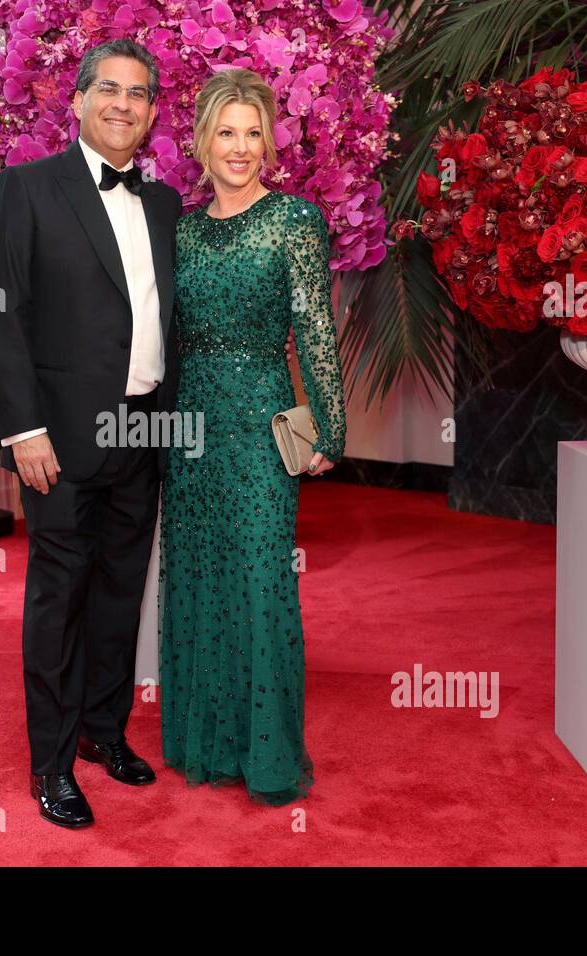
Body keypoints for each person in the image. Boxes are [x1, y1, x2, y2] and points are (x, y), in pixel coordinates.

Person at [0, 39, 182, 829]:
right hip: (56, 437)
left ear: (154, 113)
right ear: (78, 100)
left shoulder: (164, 205)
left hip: (144, 428)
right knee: (58, 600)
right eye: (108, 89)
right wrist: (21, 427)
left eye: (138, 94)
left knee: (121, 594)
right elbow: (2, 317)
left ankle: (105, 733)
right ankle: (52, 765)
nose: (123, 104)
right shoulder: (25, 189)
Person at [158, 68, 347, 806]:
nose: (241, 148)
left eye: (254, 133)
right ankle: (205, 742)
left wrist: (330, 424)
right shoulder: (180, 230)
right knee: (199, 581)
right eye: (226, 132)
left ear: (270, 141)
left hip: (262, 422)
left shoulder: (296, 220)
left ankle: (266, 755)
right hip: (190, 431)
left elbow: (314, 329)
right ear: (201, 141)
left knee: (263, 583)